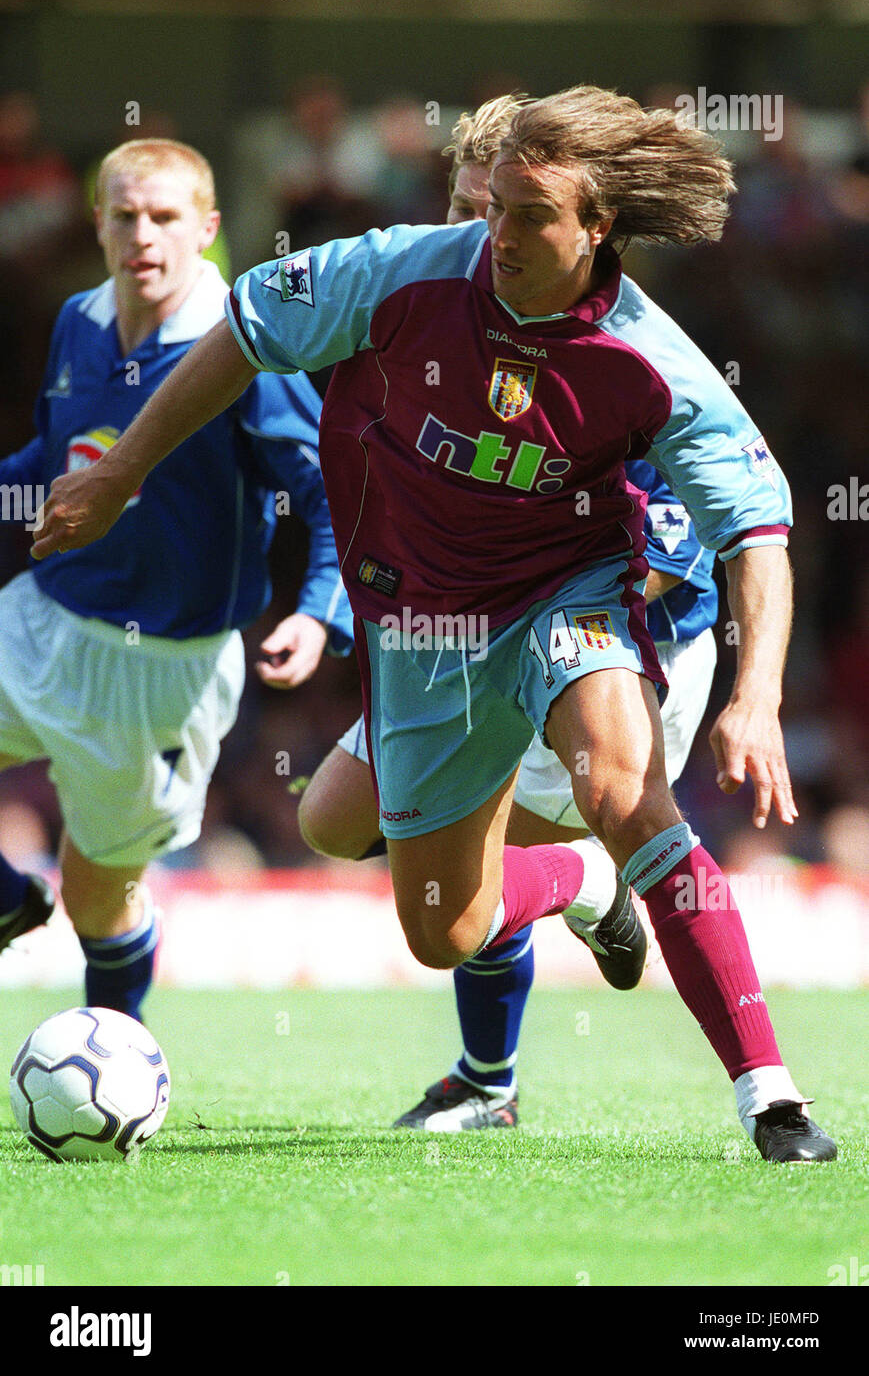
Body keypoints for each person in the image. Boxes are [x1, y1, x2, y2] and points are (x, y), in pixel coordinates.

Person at [31, 88, 837, 1163]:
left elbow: (759, 527)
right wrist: (123, 470)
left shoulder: (655, 363)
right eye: (488, 206)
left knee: (619, 790)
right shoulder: (399, 269)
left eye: (524, 215)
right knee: (428, 918)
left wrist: (755, 695)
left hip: (566, 595)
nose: (492, 234)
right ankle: (579, 881)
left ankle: (767, 1095)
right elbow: (245, 326)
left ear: (595, 228)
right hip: (421, 628)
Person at [295, 96, 720, 1131]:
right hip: (455, 629)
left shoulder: (617, 352)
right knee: (329, 821)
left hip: (597, 648)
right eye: (464, 210)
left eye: (500, 214)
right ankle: (573, 892)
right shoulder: (438, 312)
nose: (476, 240)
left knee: (467, 875)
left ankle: (489, 1076)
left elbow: (665, 551)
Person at [0, 138, 352, 1021]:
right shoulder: (79, 319)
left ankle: (114, 1051)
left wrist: (317, 613)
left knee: (95, 897)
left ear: (207, 228)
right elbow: (57, 456)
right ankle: (7, 895)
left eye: (164, 218)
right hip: (45, 614)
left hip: (160, 673)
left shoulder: (242, 354)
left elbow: (332, 496)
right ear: (99, 224)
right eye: (125, 216)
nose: (143, 236)